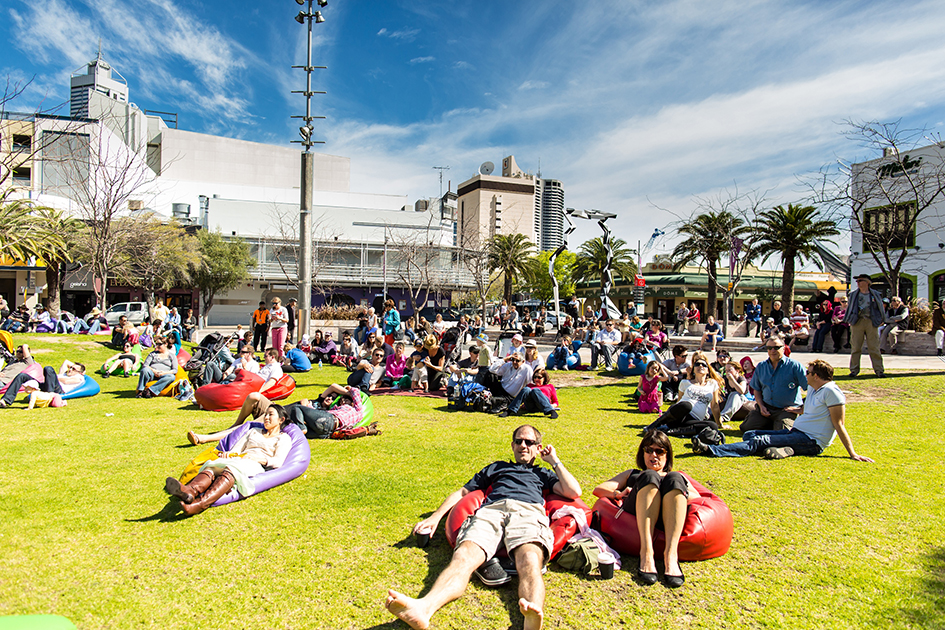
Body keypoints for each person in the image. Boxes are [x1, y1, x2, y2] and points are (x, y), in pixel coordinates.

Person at [386, 424, 580, 630]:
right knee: (464, 556)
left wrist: (554, 461)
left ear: (538, 447)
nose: (523, 445)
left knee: (530, 559)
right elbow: (462, 493)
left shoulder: (543, 473)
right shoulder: (496, 467)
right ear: (512, 445)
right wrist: (435, 517)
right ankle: (424, 608)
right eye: (518, 441)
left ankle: (531, 619)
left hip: (528, 511)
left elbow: (573, 491)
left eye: (529, 442)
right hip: (491, 511)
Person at [691, 360, 874, 462]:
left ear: (816, 376)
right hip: (798, 433)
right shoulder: (813, 389)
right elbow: (813, 410)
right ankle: (784, 448)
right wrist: (798, 410)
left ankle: (712, 450)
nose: (805, 375)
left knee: (758, 441)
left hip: (811, 441)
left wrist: (853, 453)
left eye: (808, 373)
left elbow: (838, 424)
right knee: (751, 434)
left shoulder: (833, 392)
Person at [593, 430, 700, 587]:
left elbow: (697, 498)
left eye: (659, 451)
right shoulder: (633, 474)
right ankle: (646, 553)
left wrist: (668, 492)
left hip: (667, 516)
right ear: (642, 454)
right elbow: (599, 489)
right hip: (636, 512)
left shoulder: (675, 478)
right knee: (649, 476)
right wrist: (619, 493)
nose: (653, 455)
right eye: (648, 450)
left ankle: (671, 556)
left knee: (675, 478)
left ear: (667, 455)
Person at [166, 404, 292, 516]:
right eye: (265, 415)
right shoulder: (254, 431)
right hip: (240, 459)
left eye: (270, 415)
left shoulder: (283, 438)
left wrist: (258, 458)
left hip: (255, 464)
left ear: (281, 420)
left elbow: (278, 461)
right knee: (213, 466)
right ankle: (190, 491)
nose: (266, 418)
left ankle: (199, 504)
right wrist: (229, 454)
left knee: (231, 470)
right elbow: (237, 449)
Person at [187, 384, 373, 446]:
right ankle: (234, 425)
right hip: (281, 408)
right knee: (254, 397)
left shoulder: (326, 414)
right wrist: (340, 392)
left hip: (283, 416)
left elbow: (351, 397)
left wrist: (347, 394)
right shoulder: (321, 400)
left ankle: (205, 438)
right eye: (330, 397)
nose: (330, 398)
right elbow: (332, 387)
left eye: (333, 399)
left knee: (256, 423)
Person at [645, 352, 722, 436]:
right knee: (686, 405)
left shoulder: (712, 383)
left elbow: (715, 405)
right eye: (697, 364)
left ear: (708, 370)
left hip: (693, 420)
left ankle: (669, 432)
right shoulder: (685, 382)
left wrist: (720, 424)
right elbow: (679, 402)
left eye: (703, 364)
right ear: (693, 370)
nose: (700, 366)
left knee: (713, 426)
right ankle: (653, 426)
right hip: (679, 414)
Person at [740, 336, 807, 432]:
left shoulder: (795, 366)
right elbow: (757, 389)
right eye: (769, 348)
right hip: (766, 408)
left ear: (783, 348)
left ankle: (778, 424)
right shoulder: (761, 366)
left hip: (786, 410)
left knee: (783, 433)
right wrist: (761, 406)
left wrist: (801, 409)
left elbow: (812, 388)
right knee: (746, 428)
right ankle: (772, 423)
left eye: (776, 347)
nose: (772, 351)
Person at [488, 353, 557, 419]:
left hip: (543, 405)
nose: (536, 379)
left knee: (535, 390)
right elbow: (525, 395)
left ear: (544, 378)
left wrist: (552, 406)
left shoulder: (549, 386)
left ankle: (551, 411)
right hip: (531, 406)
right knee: (526, 389)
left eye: (539, 377)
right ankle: (509, 411)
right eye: (535, 377)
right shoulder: (530, 385)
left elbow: (555, 401)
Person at [843, 274, 885, 377]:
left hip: (871, 321)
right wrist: (847, 319)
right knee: (856, 347)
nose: (858, 282)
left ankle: (879, 370)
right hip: (857, 322)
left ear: (867, 282)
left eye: (860, 280)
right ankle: (854, 370)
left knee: (874, 347)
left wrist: (882, 319)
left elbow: (880, 308)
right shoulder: (853, 295)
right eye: (857, 281)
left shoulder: (875, 294)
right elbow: (849, 308)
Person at [1, 357, 85, 408]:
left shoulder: (79, 378)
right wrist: (53, 377)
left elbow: (66, 381)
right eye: (71, 367)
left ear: (80, 372)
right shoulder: (64, 374)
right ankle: (6, 400)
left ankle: (48, 397)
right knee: (22, 375)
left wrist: (54, 377)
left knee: (48, 368)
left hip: (57, 391)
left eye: (73, 369)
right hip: (47, 385)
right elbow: (66, 362)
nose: (70, 369)